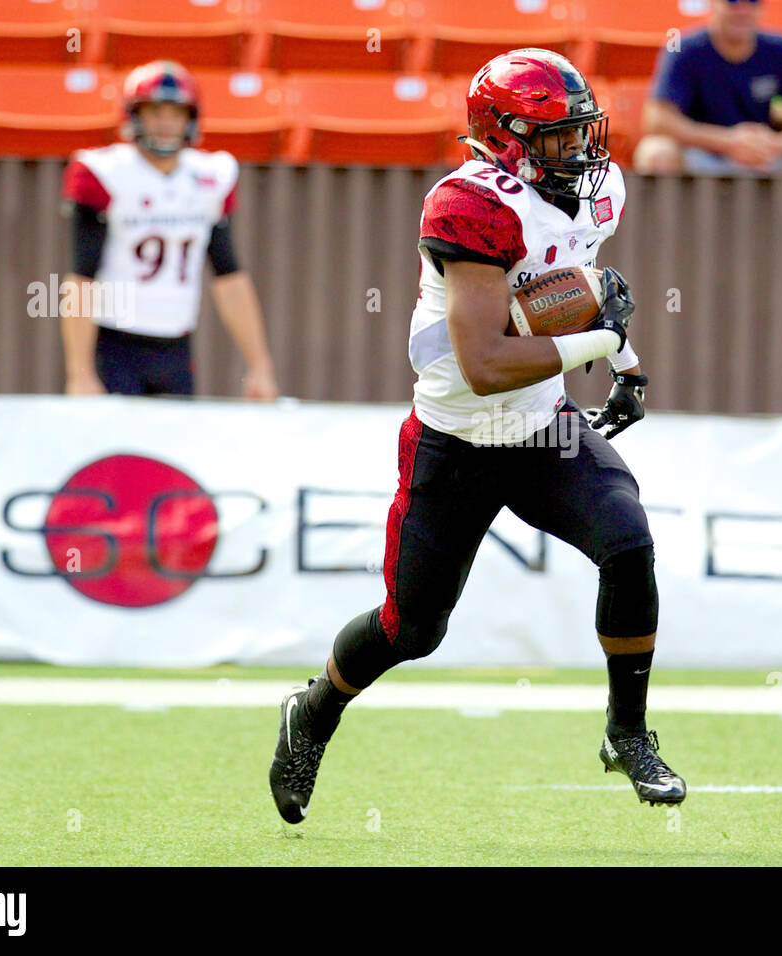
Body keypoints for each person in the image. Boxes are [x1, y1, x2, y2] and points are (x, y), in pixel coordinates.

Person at [269, 48, 686, 823]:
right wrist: (602, 345)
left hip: (540, 431)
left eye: (580, 133)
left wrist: (625, 364)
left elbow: (579, 288)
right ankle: (315, 712)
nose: (581, 152)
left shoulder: (594, 195)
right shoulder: (470, 205)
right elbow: (489, 363)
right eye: (558, 137)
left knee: (628, 543)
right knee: (412, 628)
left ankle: (628, 732)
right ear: (507, 136)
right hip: (459, 436)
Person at [60, 60, 278, 399]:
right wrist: (80, 372)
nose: (165, 123)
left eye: (175, 114)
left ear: (189, 120)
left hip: (176, 347)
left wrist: (260, 366)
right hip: (116, 345)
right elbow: (82, 277)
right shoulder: (104, 172)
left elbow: (229, 277)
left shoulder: (210, 177)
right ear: (135, 116)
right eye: (155, 112)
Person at [635, 0, 782, 175]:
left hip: (766, 157)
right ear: (713, 4)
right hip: (702, 156)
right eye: (732, 1)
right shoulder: (685, 48)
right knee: (656, 153)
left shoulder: (779, 47)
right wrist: (727, 142)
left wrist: (778, 145)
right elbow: (657, 119)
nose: (742, 9)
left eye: (752, 1)